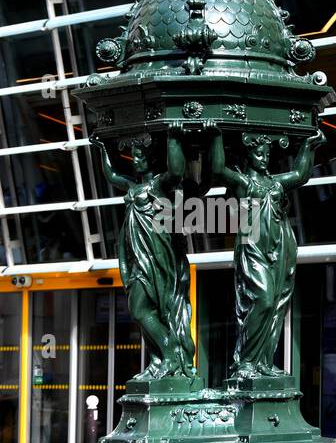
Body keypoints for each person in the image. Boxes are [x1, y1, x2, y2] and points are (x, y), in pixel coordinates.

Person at [209, 128, 323, 381]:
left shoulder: (275, 183)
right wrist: (216, 135)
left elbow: (300, 174)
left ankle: (263, 362)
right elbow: (218, 170)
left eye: (266, 153)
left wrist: (309, 146)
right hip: (253, 247)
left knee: (277, 306)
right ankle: (246, 361)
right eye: (258, 153)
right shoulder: (244, 183)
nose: (263, 157)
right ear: (249, 154)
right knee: (264, 299)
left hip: (281, 245)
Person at [95, 134, 195, 379]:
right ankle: (160, 358)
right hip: (137, 258)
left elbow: (175, 172)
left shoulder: (159, 185)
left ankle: (170, 353)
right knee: (142, 309)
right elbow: (112, 176)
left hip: (156, 258)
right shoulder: (133, 187)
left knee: (142, 310)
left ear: (152, 160)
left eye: (141, 156)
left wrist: (173, 137)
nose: (136, 161)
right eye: (134, 156)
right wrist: (102, 149)